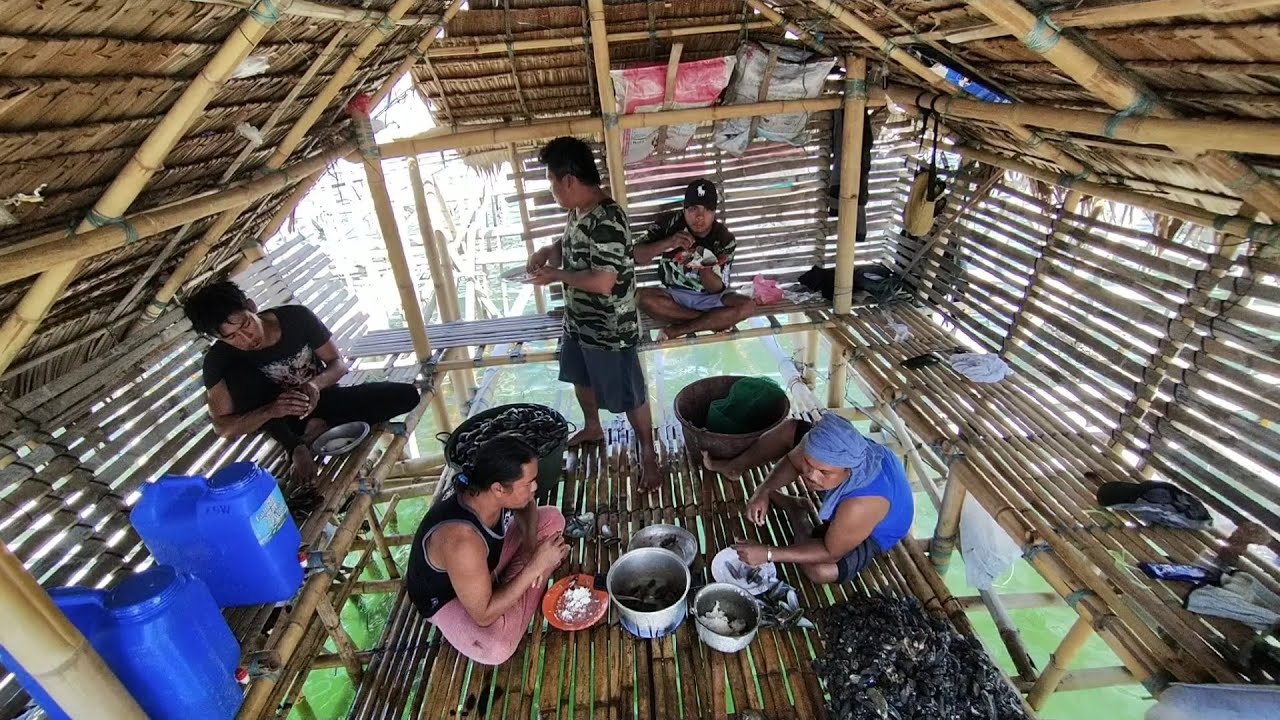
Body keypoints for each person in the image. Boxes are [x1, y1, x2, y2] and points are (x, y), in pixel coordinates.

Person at [183, 281, 420, 495]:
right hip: (280, 424)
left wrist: (315, 385)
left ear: (251, 306)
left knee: (406, 395)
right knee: (238, 372)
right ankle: (297, 445)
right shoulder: (220, 359)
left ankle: (315, 428)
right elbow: (223, 427)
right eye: (232, 337)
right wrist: (271, 411)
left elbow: (337, 365)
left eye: (246, 325)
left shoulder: (296, 319)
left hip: (324, 398)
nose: (246, 339)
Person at [525, 136, 662, 490]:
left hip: (610, 328)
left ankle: (648, 452)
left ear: (568, 180)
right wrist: (546, 252)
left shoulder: (608, 218)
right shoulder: (579, 212)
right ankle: (592, 426)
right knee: (579, 378)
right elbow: (569, 246)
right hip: (579, 323)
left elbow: (603, 281)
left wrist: (555, 275)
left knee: (631, 394)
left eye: (552, 182)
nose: (553, 190)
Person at [405, 435, 568, 665]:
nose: (535, 487)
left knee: (552, 519)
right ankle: (519, 586)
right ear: (499, 489)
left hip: (482, 565)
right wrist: (535, 567)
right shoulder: (462, 541)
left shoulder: (486, 492)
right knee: (497, 647)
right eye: (527, 483)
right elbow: (483, 615)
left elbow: (527, 504)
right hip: (449, 597)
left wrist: (532, 548)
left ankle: (509, 586)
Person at [706, 412, 914, 585]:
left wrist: (769, 554)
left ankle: (799, 511)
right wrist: (764, 491)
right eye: (808, 464)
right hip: (853, 491)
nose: (810, 477)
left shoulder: (860, 505)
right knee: (790, 429)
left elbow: (830, 552)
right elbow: (794, 460)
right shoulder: (819, 449)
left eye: (824, 472)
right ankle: (736, 466)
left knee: (820, 571)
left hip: (874, 530)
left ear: (847, 470)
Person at [634, 179, 754, 340]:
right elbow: (636, 255)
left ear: (714, 213)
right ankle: (713, 322)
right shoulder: (670, 225)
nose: (699, 216)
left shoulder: (724, 239)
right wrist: (668, 242)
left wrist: (703, 266)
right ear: (684, 210)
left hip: (710, 298)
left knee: (747, 306)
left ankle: (677, 330)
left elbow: (717, 289)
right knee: (643, 298)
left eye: (707, 210)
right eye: (693, 209)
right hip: (674, 296)